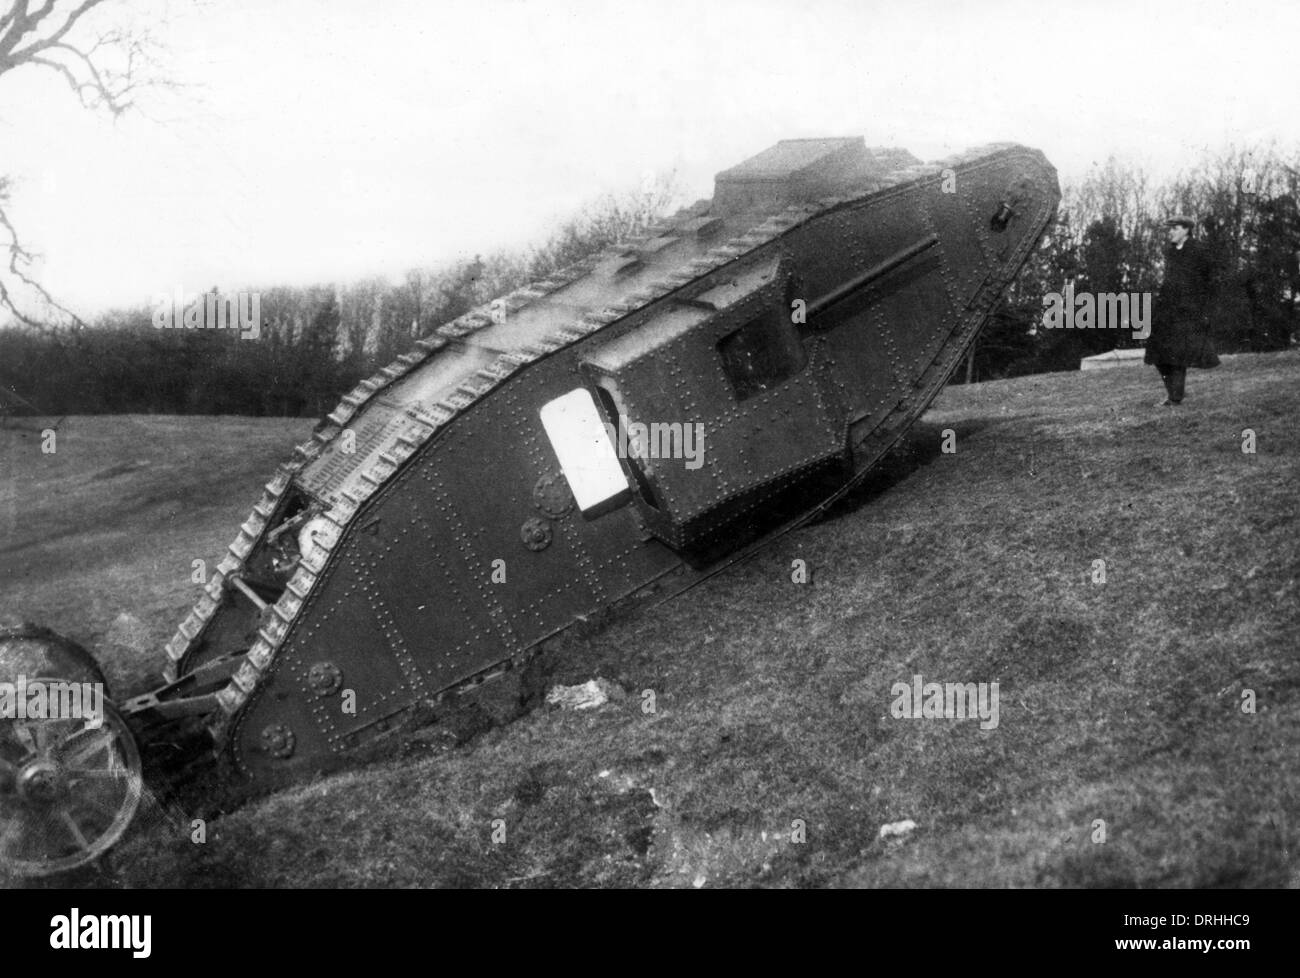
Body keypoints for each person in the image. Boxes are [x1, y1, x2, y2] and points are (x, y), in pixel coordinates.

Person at [1144, 214, 1220, 406]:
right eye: (1169, 229)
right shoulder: (1171, 252)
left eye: (1174, 228)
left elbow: (1211, 279)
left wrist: (1202, 307)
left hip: (1188, 312)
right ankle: (1174, 394)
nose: (1170, 232)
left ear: (1186, 230)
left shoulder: (1199, 250)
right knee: (1158, 354)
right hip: (1167, 311)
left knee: (1177, 356)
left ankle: (1175, 397)